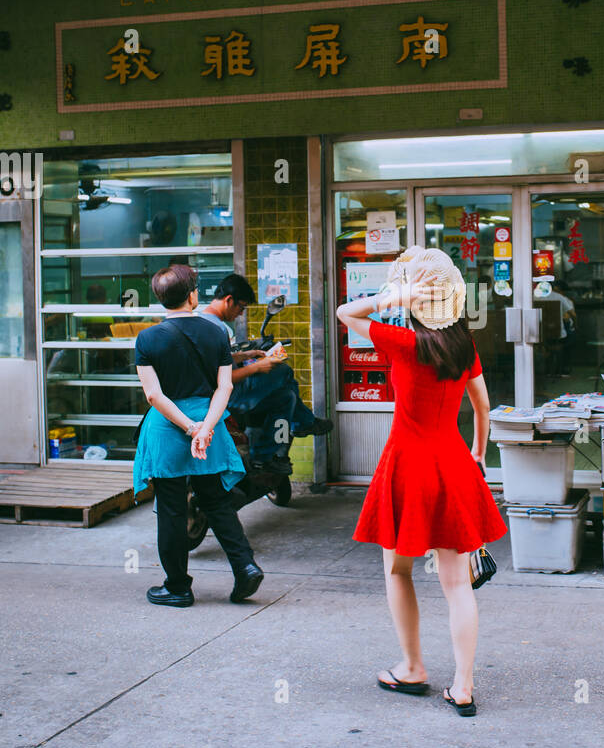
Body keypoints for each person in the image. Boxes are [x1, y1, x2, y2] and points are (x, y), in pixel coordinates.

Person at [337, 246, 507, 718]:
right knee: (457, 586)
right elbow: (483, 406)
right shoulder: (463, 347)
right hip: (452, 463)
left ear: (418, 299)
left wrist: (393, 296)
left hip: (407, 466)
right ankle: (464, 686)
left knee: (398, 569)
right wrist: (477, 451)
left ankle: (412, 667)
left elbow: (343, 312)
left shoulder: (403, 343)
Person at [133, 264, 264, 608]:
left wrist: (189, 428)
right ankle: (245, 566)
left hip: (166, 427)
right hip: (210, 421)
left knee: (172, 509)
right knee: (217, 502)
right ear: (192, 295)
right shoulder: (215, 334)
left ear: (161, 299)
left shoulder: (147, 338)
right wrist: (204, 427)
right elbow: (224, 386)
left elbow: (153, 396)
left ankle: (177, 587)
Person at [198, 274, 332, 471]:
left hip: (227, 393)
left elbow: (218, 361)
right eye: (241, 307)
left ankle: (262, 456)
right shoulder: (217, 328)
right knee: (284, 370)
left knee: (286, 398)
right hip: (231, 396)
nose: (241, 313)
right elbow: (218, 377)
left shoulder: (203, 321)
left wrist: (245, 355)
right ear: (228, 300)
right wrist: (257, 366)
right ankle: (304, 423)